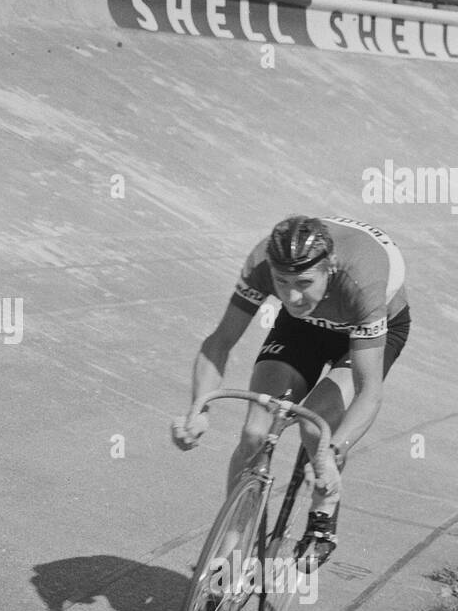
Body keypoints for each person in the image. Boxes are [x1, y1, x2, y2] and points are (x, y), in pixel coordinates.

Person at [171, 214, 411, 571]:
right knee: (255, 432)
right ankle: (231, 555)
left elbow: (368, 393)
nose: (293, 295)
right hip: (303, 329)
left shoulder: (362, 281)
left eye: (304, 282)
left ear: (328, 268)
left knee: (317, 426)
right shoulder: (262, 264)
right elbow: (219, 342)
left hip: (365, 332)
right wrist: (198, 408)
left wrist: (334, 452)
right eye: (283, 283)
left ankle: (321, 522)